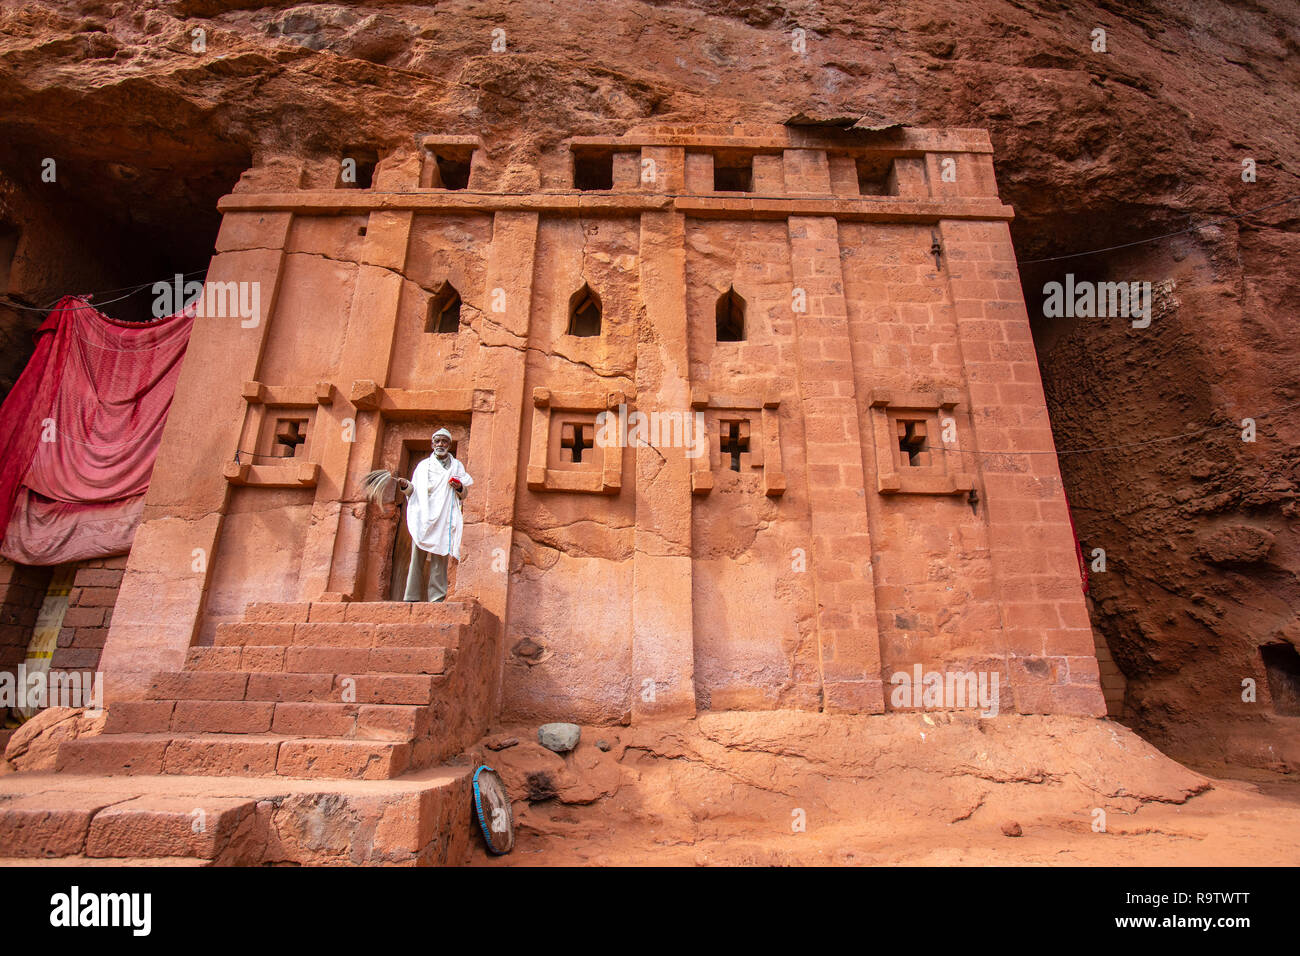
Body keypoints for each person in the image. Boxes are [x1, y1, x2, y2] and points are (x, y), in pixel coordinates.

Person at [397, 428, 473, 602]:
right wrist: (405, 486)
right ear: (432, 444)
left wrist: (459, 487)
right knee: (417, 556)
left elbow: (464, 492)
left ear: (449, 445)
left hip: (444, 516)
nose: (440, 444)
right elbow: (413, 491)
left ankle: (437, 597)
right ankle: (411, 596)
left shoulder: (456, 466)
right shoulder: (423, 466)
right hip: (424, 514)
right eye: (437, 441)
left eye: (444, 441)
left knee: (440, 558)